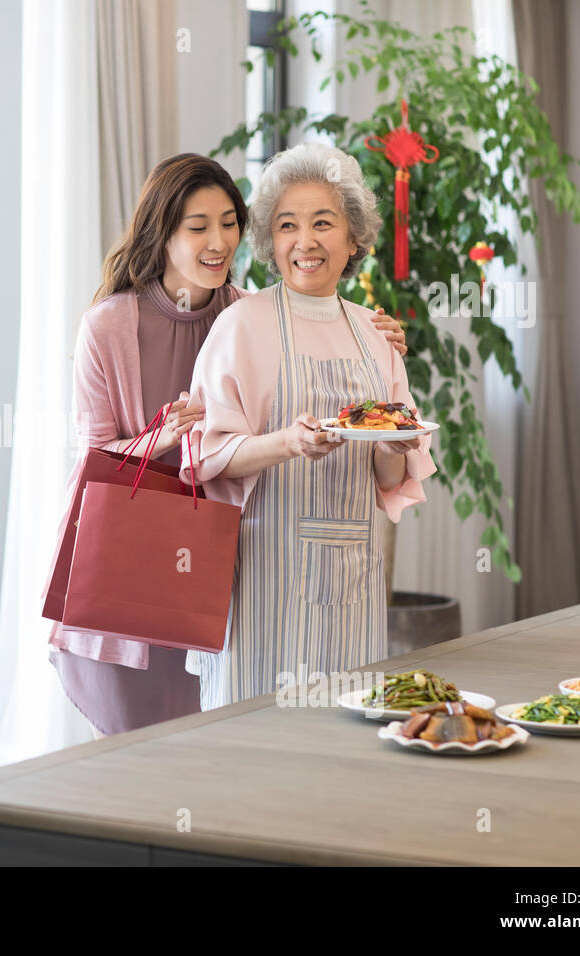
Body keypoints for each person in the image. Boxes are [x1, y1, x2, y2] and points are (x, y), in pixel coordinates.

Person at [51, 152, 409, 737]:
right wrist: (155, 440)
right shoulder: (109, 326)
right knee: (134, 749)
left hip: (216, 560)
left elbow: (313, 318)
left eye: (229, 223)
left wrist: (379, 334)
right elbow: (91, 459)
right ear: (161, 233)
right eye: (198, 227)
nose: (219, 241)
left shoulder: (248, 313)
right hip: (133, 555)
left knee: (207, 740)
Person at [179, 141, 436, 711]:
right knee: (252, 745)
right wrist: (288, 443)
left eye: (324, 222)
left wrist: (397, 441)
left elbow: (388, 475)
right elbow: (204, 456)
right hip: (256, 580)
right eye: (288, 225)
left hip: (350, 580)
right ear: (272, 243)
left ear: (353, 237)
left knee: (342, 748)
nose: (306, 241)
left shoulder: (377, 334)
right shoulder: (240, 325)